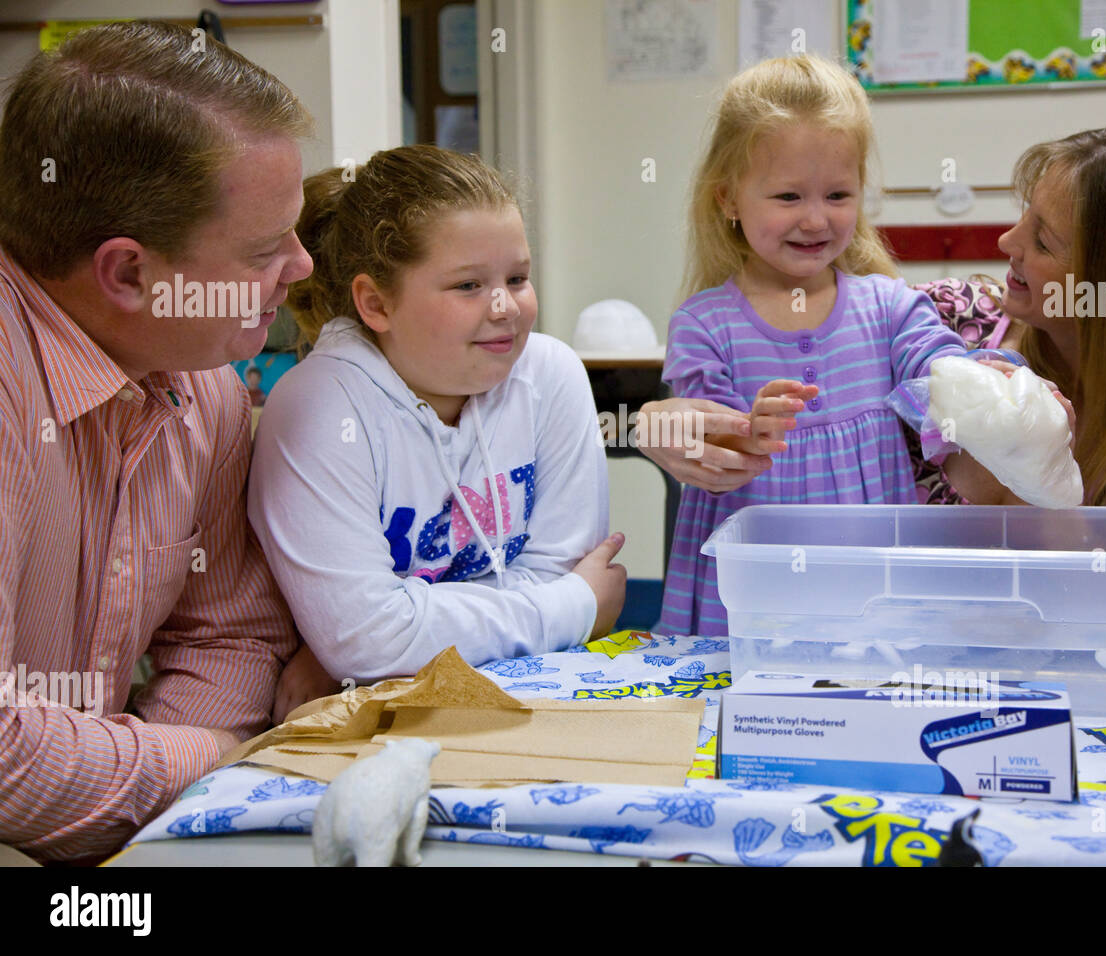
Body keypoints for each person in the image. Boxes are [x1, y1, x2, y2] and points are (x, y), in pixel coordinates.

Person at [642, 126, 1106, 604]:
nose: (1005, 244)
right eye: (1023, 214)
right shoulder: (944, 322)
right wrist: (661, 422)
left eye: (1043, 240)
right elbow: (771, 409)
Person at [0, 21, 327, 863]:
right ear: (130, 274)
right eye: (263, 249)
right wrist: (216, 762)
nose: (300, 268)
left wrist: (172, 816)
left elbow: (229, 634)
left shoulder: (205, 382)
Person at [248, 145, 626, 682]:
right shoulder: (317, 406)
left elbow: (558, 574)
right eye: (469, 285)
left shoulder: (551, 373)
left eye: (517, 278)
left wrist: (396, 635)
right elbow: (368, 641)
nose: (505, 307)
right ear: (376, 304)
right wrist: (573, 608)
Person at [657, 56, 977, 637]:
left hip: (872, 590)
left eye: (837, 194)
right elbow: (708, 440)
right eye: (786, 196)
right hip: (753, 594)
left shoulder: (888, 305)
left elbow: (947, 368)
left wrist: (1001, 386)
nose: (815, 219)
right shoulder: (704, 324)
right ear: (727, 199)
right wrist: (747, 429)